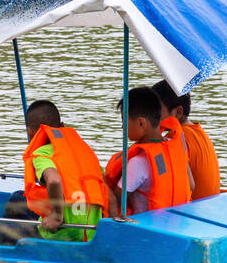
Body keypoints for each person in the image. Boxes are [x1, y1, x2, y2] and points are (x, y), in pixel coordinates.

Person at [23, 100, 117, 240]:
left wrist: (56, 215)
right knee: (18, 197)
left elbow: (54, 180)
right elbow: (112, 199)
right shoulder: (85, 152)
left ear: (30, 133)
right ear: (62, 126)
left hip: (64, 234)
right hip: (91, 235)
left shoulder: (41, 154)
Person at [105, 86, 193, 215]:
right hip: (177, 223)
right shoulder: (177, 145)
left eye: (124, 121)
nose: (122, 127)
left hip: (148, 230)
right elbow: (191, 185)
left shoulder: (139, 162)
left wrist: (101, 180)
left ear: (141, 123)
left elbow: (115, 202)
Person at [151, 79, 221, 200]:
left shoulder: (174, 138)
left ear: (178, 112)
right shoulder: (198, 131)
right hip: (210, 207)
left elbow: (166, 183)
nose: (151, 116)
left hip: (194, 213)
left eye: (157, 111)